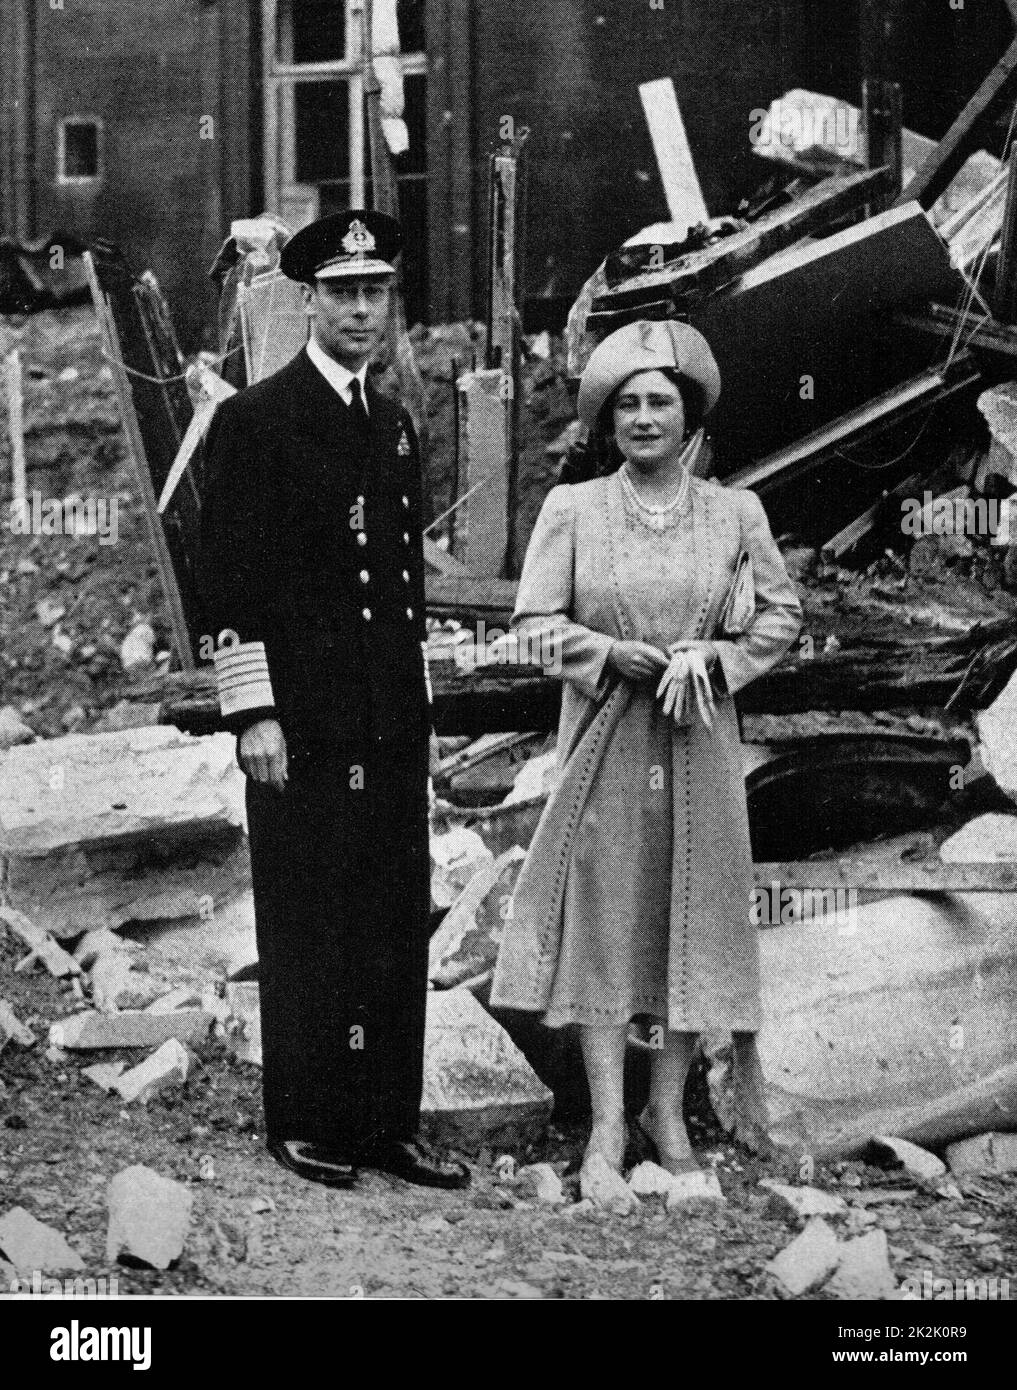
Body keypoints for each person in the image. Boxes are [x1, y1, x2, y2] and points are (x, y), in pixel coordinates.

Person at [490, 319, 802, 1181]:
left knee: (688, 915)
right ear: (606, 423)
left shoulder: (736, 513)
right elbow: (530, 628)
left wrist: (716, 657)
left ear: (689, 417)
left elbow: (780, 615)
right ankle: (603, 1124)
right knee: (604, 919)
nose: (642, 417)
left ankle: (668, 1115)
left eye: (659, 401)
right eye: (625, 404)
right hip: (605, 740)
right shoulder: (574, 510)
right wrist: (604, 654)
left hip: (697, 739)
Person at [197, 210, 468, 1191]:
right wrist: (253, 714)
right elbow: (226, 586)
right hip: (300, 727)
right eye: (344, 290)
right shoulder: (256, 420)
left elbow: (401, 592)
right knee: (311, 917)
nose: (362, 308)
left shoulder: (392, 424)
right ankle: (308, 1117)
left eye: (377, 289)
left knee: (394, 917)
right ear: (307, 298)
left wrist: (422, 718)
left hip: (389, 723)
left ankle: (387, 1121)